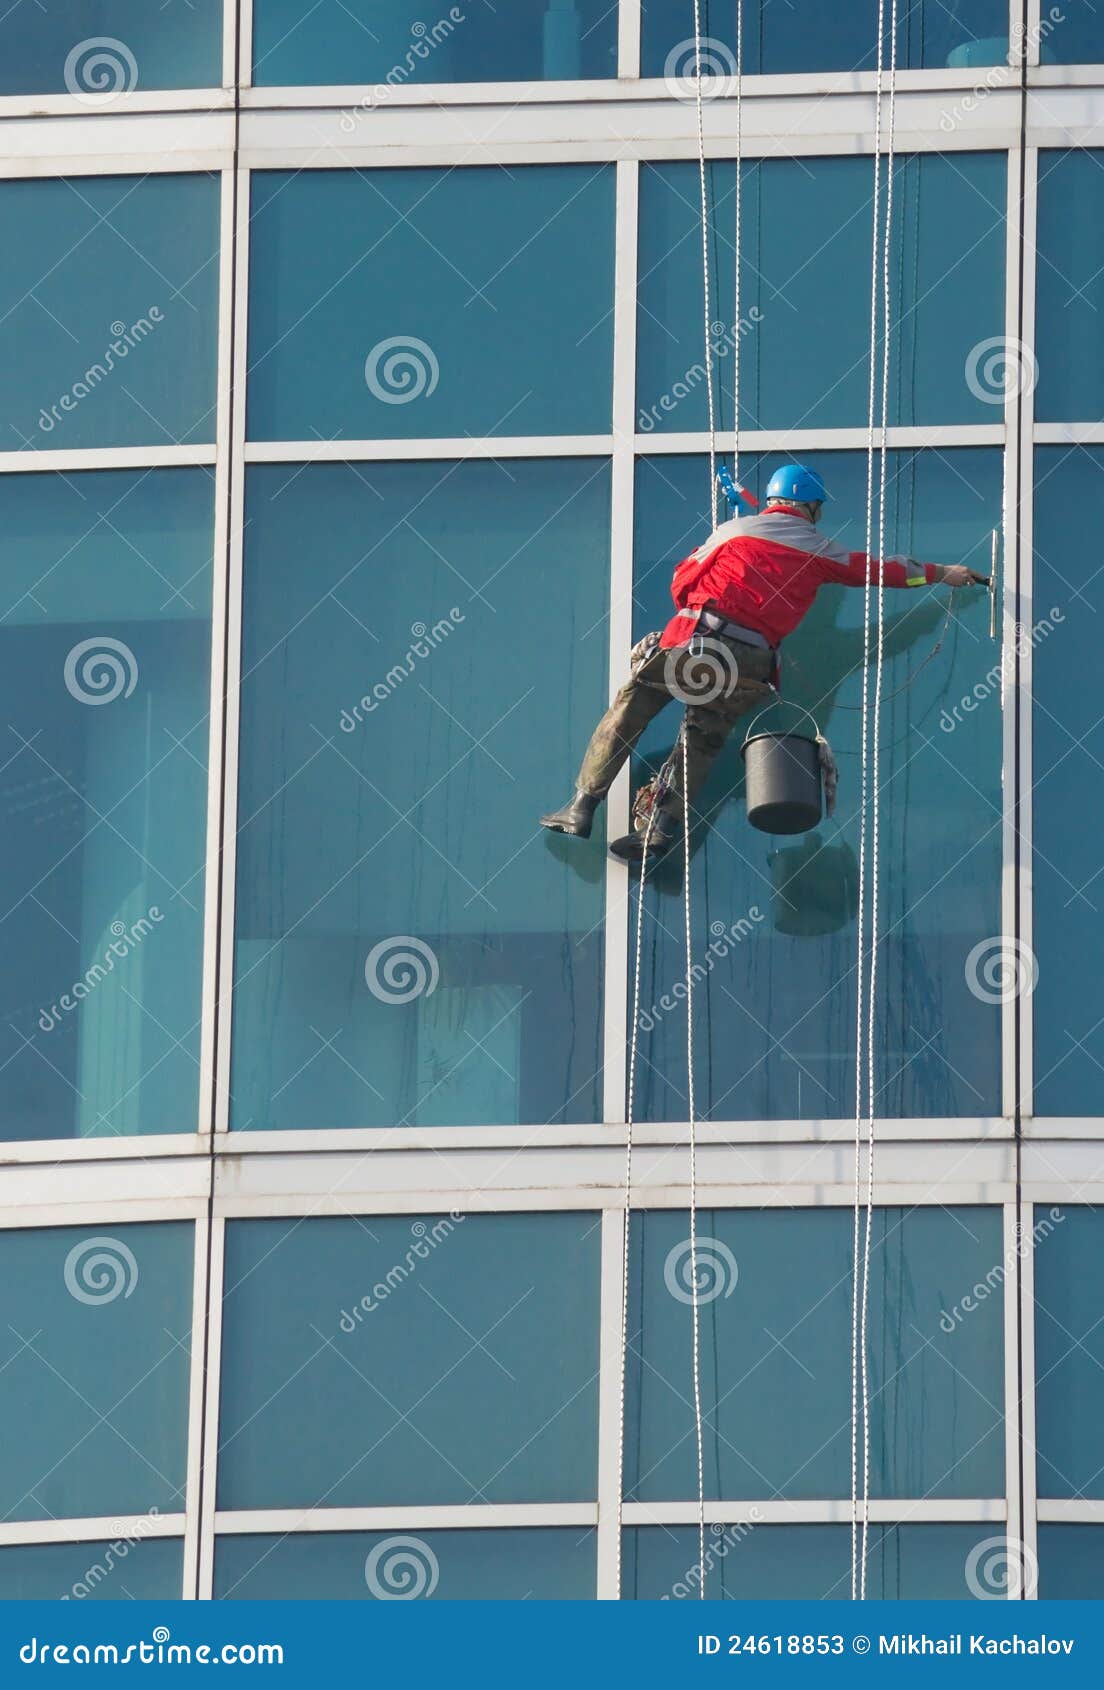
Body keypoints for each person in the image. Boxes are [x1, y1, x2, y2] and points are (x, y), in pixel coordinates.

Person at [540, 462, 988, 863]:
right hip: (748, 664)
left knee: (632, 706)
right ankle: (659, 828)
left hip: (700, 643)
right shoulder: (822, 551)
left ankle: (582, 806)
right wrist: (941, 573)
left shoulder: (732, 532)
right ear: (810, 507)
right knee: (702, 740)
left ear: (774, 501)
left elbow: (681, 582)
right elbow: (884, 571)